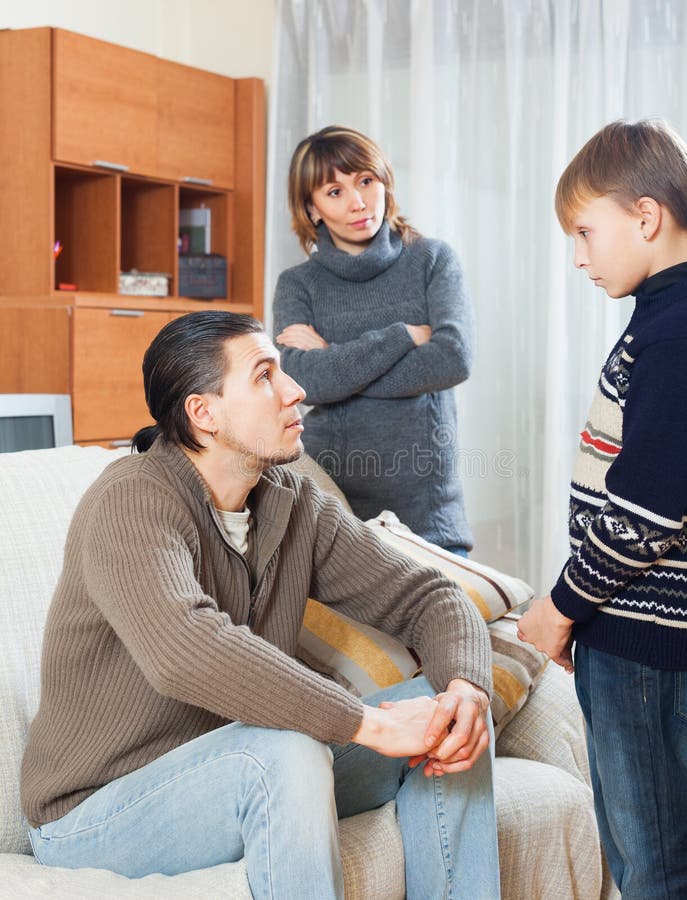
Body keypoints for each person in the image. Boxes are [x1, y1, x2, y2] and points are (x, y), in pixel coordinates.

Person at [20, 311, 501, 900]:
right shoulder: (131, 499)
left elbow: (431, 596)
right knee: (285, 750)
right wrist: (364, 723)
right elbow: (186, 651)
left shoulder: (293, 503)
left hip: (240, 765)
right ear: (205, 414)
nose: (295, 390)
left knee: (445, 715)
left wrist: (468, 688)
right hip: (97, 811)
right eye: (265, 375)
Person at [517, 119, 687, 899]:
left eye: (584, 232)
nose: (578, 256)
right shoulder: (670, 319)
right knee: (634, 839)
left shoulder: (681, 338)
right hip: (635, 628)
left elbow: (645, 518)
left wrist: (557, 605)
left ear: (645, 218)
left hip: (643, 634)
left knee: (657, 860)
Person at [273, 125, 474, 555]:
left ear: (384, 182)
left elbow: (453, 359)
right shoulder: (297, 285)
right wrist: (402, 336)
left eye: (366, 181)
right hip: (333, 504)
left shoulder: (432, 260)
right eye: (334, 191)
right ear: (311, 209)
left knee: (452, 619)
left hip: (428, 510)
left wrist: (333, 356)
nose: (358, 202)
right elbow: (306, 382)